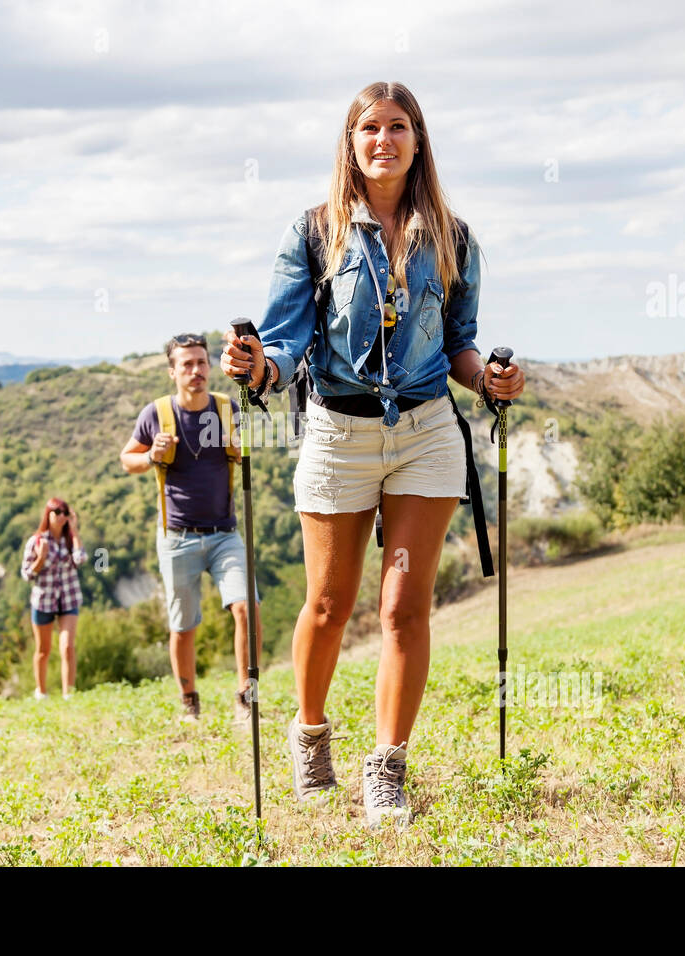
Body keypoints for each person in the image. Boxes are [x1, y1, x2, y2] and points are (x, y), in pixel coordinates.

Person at [220, 81, 526, 827]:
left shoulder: (454, 237)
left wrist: (487, 375)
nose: (383, 140)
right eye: (369, 129)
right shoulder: (314, 231)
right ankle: (311, 734)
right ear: (350, 143)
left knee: (403, 607)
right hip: (339, 433)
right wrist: (259, 368)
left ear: (418, 141)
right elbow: (287, 338)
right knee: (328, 606)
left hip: (425, 432)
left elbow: (458, 340)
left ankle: (387, 770)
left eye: (397, 127)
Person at [119, 333, 264, 724]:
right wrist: (151, 455)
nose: (196, 370)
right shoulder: (157, 414)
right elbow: (126, 459)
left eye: (201, 362)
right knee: (183, 626)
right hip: (177, 537)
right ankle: (189, 703)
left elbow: (248, 449)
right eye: (187, 364)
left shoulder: (224, 408)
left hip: (224, 533)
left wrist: (239, 448)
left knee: (247, 608)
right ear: (172, 372)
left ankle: (245, 700)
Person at [20, 498, 86, 700]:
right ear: (47, 514)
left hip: (68, 598)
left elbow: (80, 559)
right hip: (44, 600)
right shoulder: (37, 541)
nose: (61, 517)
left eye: (65, 513)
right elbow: (26, 575)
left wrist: (75, 532)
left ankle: (69, 694)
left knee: (67, 646)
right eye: (56, 512)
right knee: (43, 650)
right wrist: (40, 559)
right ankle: (41, 692)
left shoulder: (69, 539)